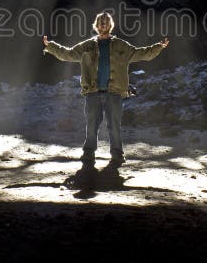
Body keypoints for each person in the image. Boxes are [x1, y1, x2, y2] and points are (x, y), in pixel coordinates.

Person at [42, 11, 169, 174]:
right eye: (100, 21)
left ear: (110, 25)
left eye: (106, 21)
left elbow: (141, 53)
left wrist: (159, 46)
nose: (103, 24)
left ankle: (117, 154)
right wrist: (50, 46)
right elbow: (68, 54)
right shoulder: (87, 45)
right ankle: (88, 153)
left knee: (114, 125)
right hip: (92, 91)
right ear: (96, 25)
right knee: (92, 125)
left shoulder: (121, 45)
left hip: (114, 92)